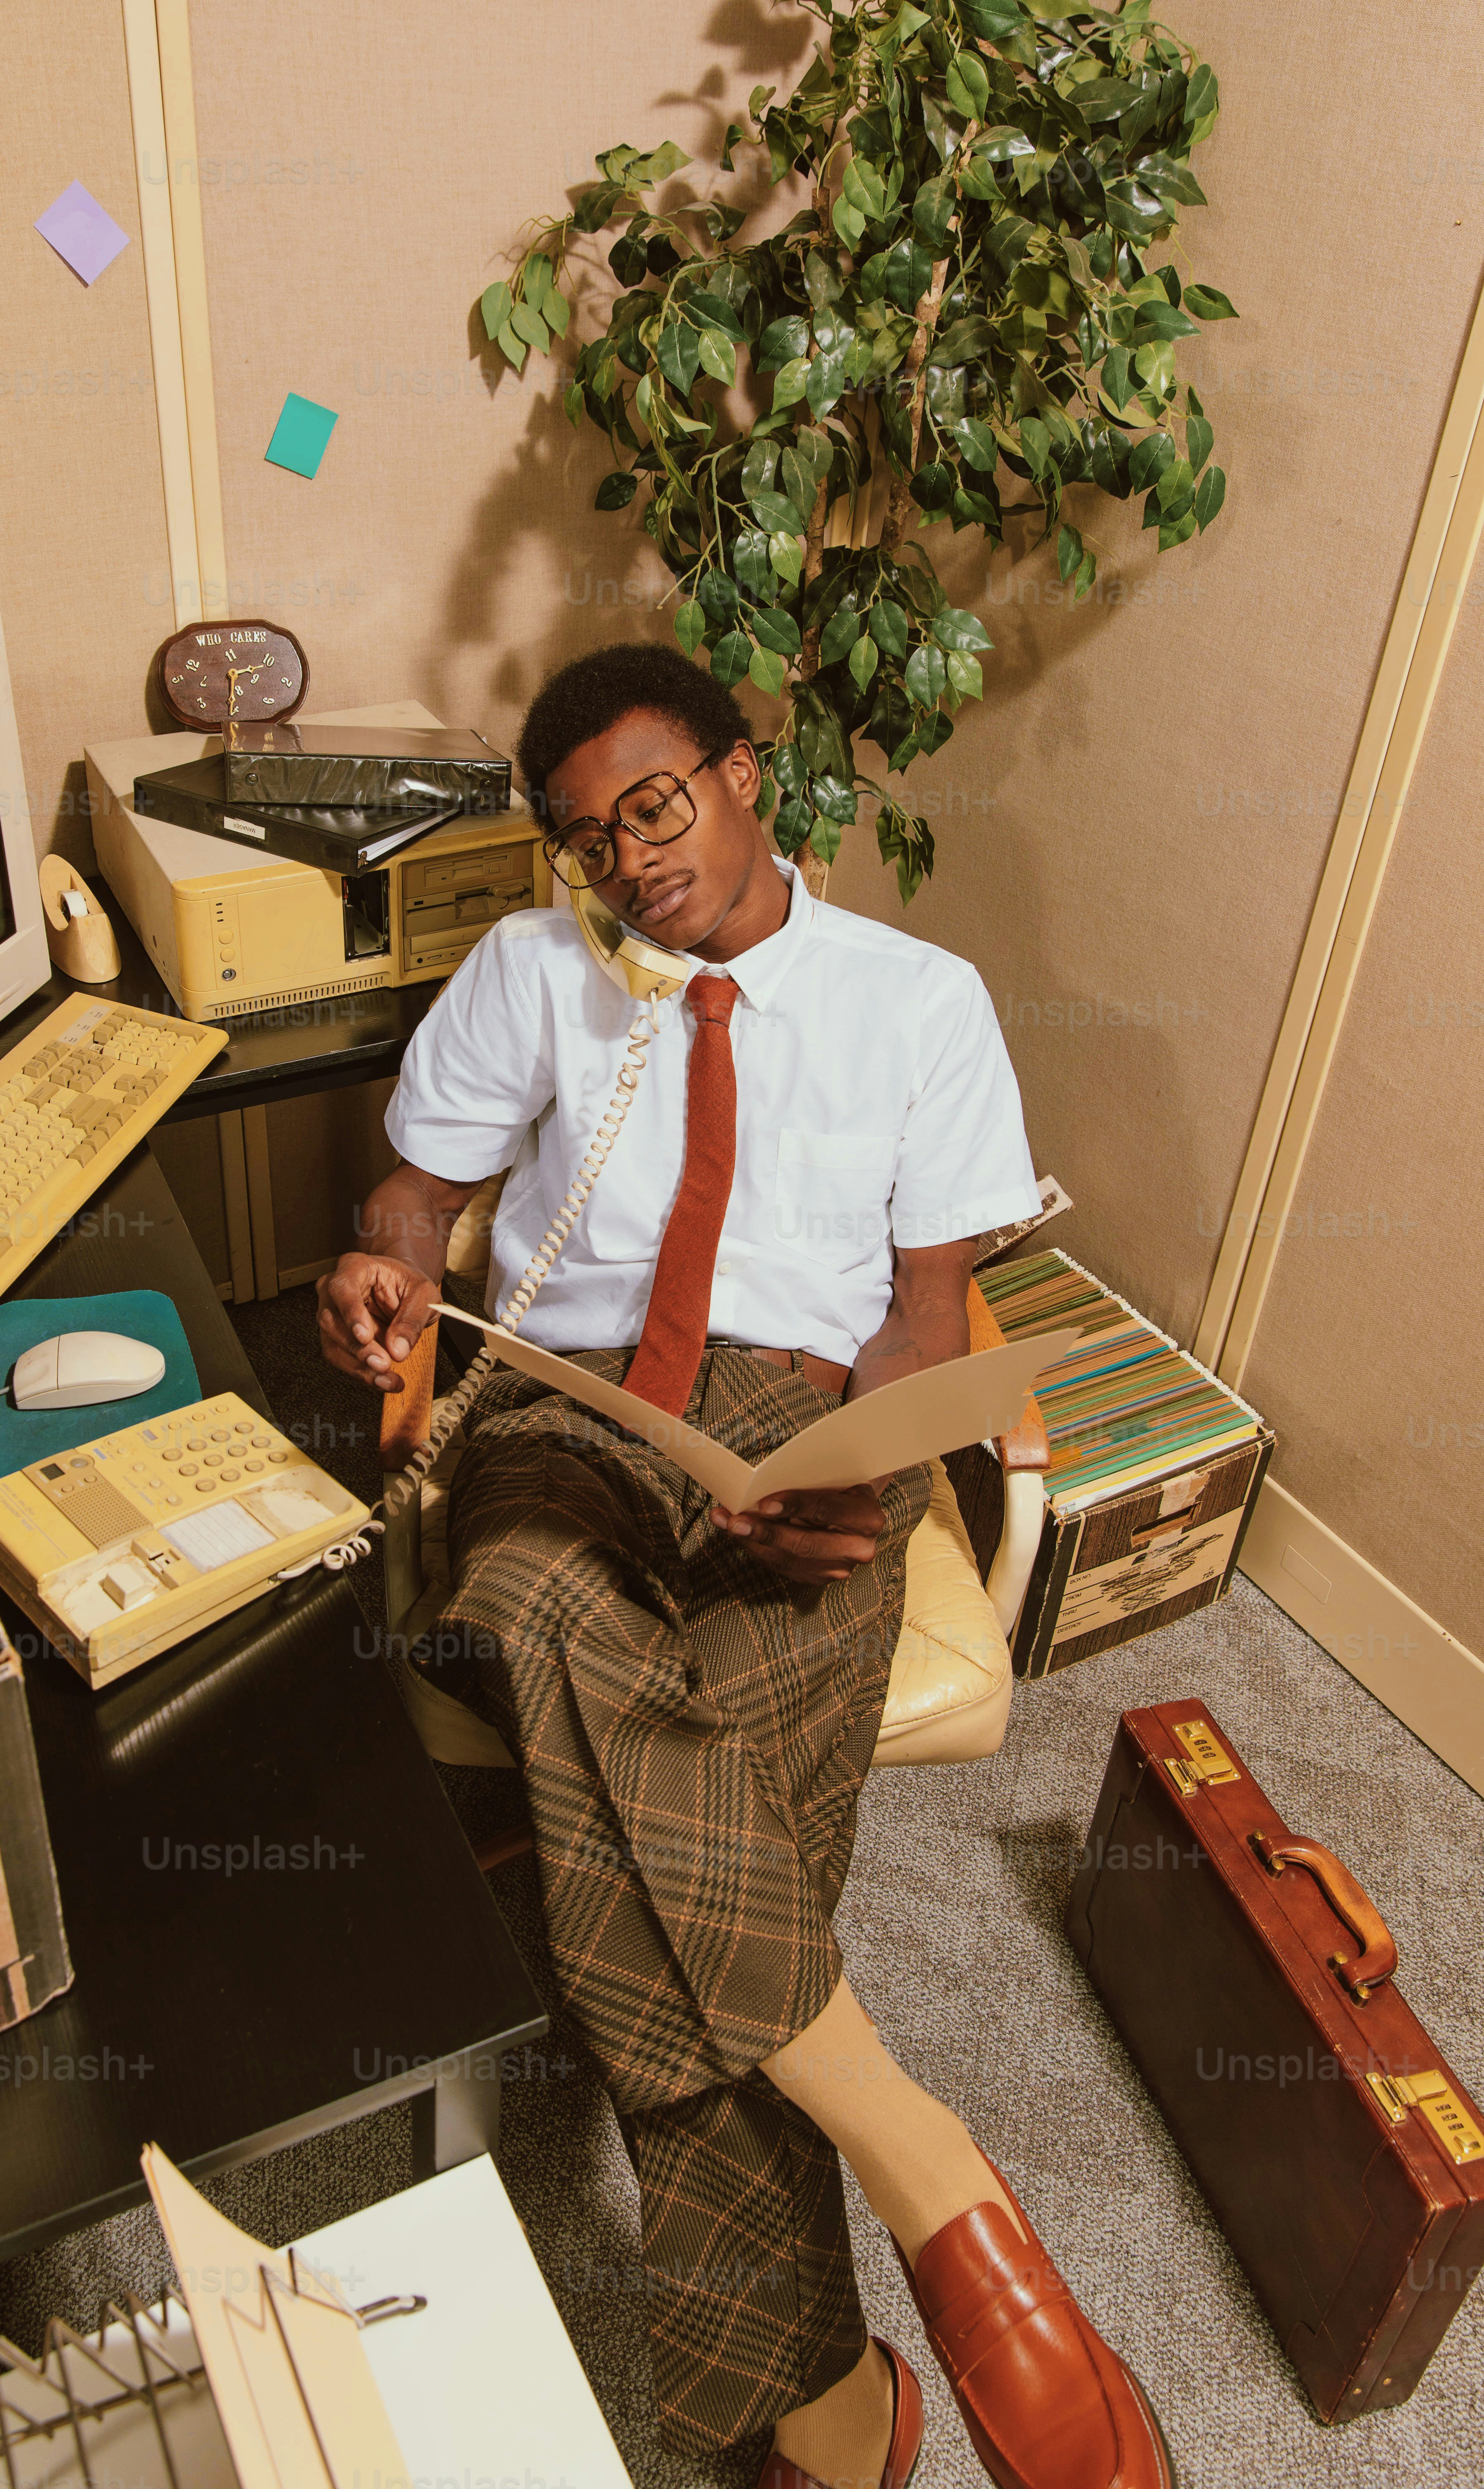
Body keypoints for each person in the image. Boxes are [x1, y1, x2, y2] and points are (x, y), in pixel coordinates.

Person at [319, 642, 1174, 2489]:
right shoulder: (533, 977)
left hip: (802, 1420)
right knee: (538, 1602)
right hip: (569, 1406)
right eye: (583, 838)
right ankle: (929, 2169)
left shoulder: (917, 1001)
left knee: (680, 1747)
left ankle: (832, 2405)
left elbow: (927, 1311)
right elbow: (417, 1188)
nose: (627, 861)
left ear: (740, 774)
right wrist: (386, 1264)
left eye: (653, 805)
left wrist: (854, 1470)